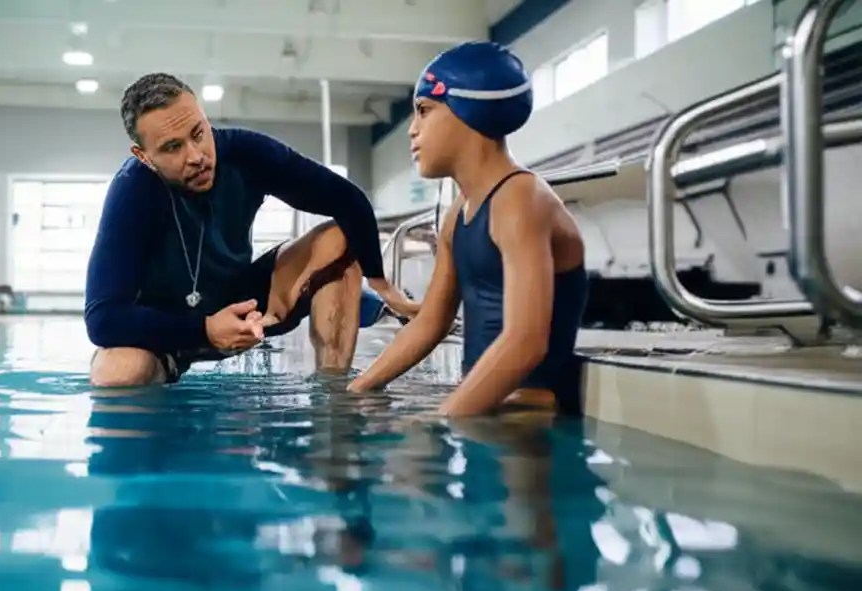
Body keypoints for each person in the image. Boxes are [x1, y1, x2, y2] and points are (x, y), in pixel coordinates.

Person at [84, 73, 420, 387]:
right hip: (169, 329)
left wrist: (382, 284)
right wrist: (204, 330)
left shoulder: (244, 152)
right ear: (143, 156)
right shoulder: (132, 189)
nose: (196, 156)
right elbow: (103, 318)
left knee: (339, 236)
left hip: (245, 304)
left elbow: (348, 200)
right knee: (117, 372)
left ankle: (331, 400)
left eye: (198, 133)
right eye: (173, 147)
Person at [347, 41, 588, 416]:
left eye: (424, 111)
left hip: (529, 416)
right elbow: (430, 322)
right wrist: (357, 390)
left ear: (469, 111)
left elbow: (526, 343)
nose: (412, 130)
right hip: (485, 408)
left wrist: (444, 418)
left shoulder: (520, 199)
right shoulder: (459, 213)